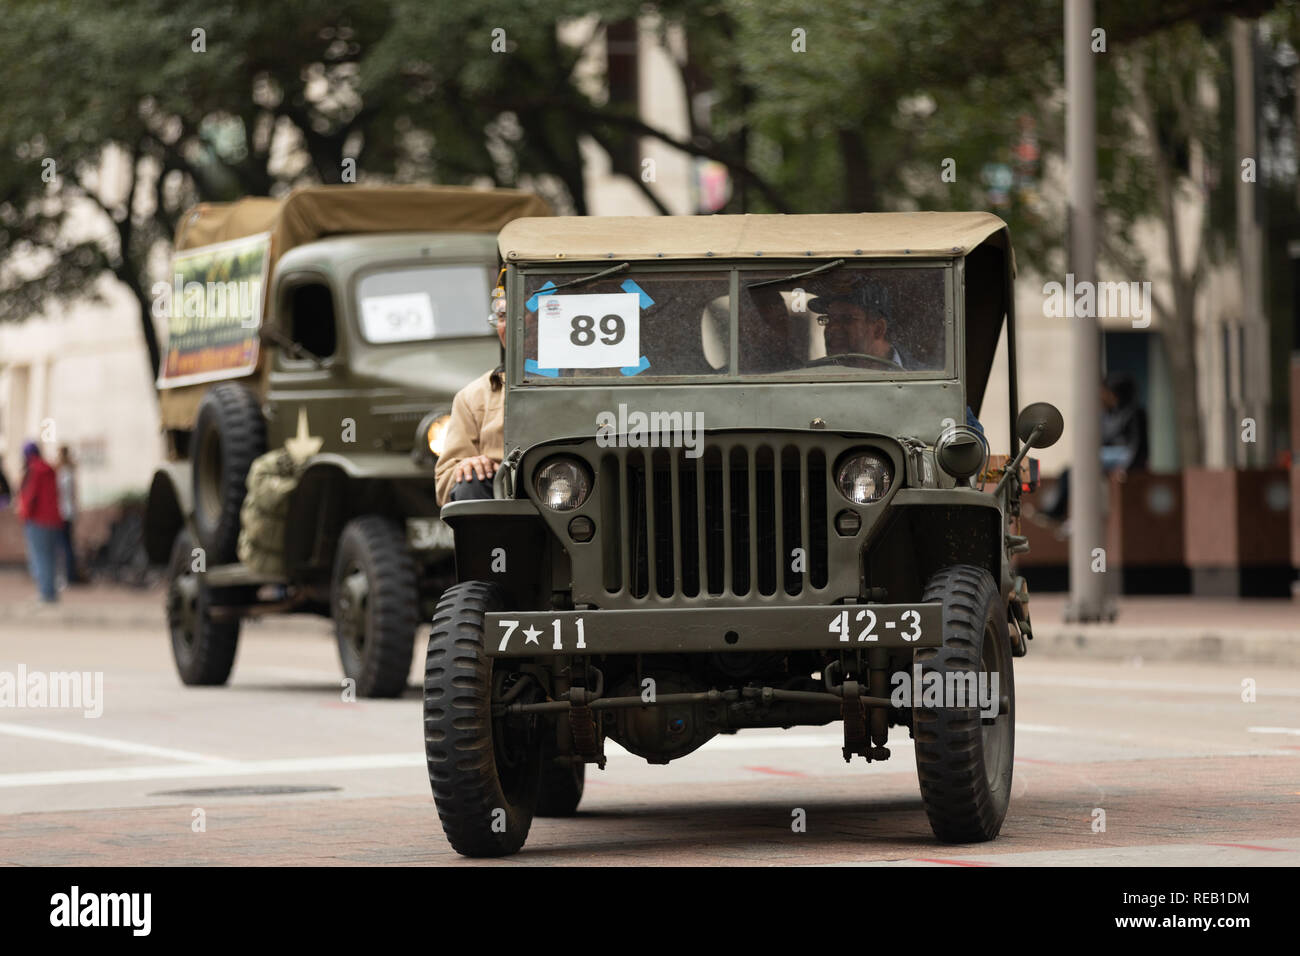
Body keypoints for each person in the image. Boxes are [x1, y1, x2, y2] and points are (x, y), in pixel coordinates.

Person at [1040, 371, 1147, 521]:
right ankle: (1058, 511)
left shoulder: (1133, 413)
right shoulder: (1108, 415)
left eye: (1106, 393)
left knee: (1083, 466)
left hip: (1123, 458)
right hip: (1108, 457)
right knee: (1071, 471)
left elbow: (1137, 445)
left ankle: (1063, 514)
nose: (1102, 397)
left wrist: (1127, 467)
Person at [435, 288, 506, 507]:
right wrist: (466, 466)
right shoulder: (474, 397)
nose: (513, 325)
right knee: (471, 482)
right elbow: (444, 484)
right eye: (503, 316)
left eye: (524, 312)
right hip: (506, 502)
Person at [809, 280, 916, 368]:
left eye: (846, 319)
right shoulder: (814, 378)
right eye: (828, 319)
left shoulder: (922, 377)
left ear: (879, 329)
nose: (832, 328)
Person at [15, 441, 62, 603]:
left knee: (40, 557)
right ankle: (51, 593)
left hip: (37, 519)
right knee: (50, 557)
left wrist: (24, 513)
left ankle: (45, 593)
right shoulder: (49, 469)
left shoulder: (34, 470)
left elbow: (31, 495)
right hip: (53, 518)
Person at [56, 446, 82, 585]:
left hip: (62, 512)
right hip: (69, 512)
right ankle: (70, 574)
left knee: (64, 545)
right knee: (68, 545)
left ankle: (68, 575)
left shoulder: (62, 472)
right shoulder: (70, 471)